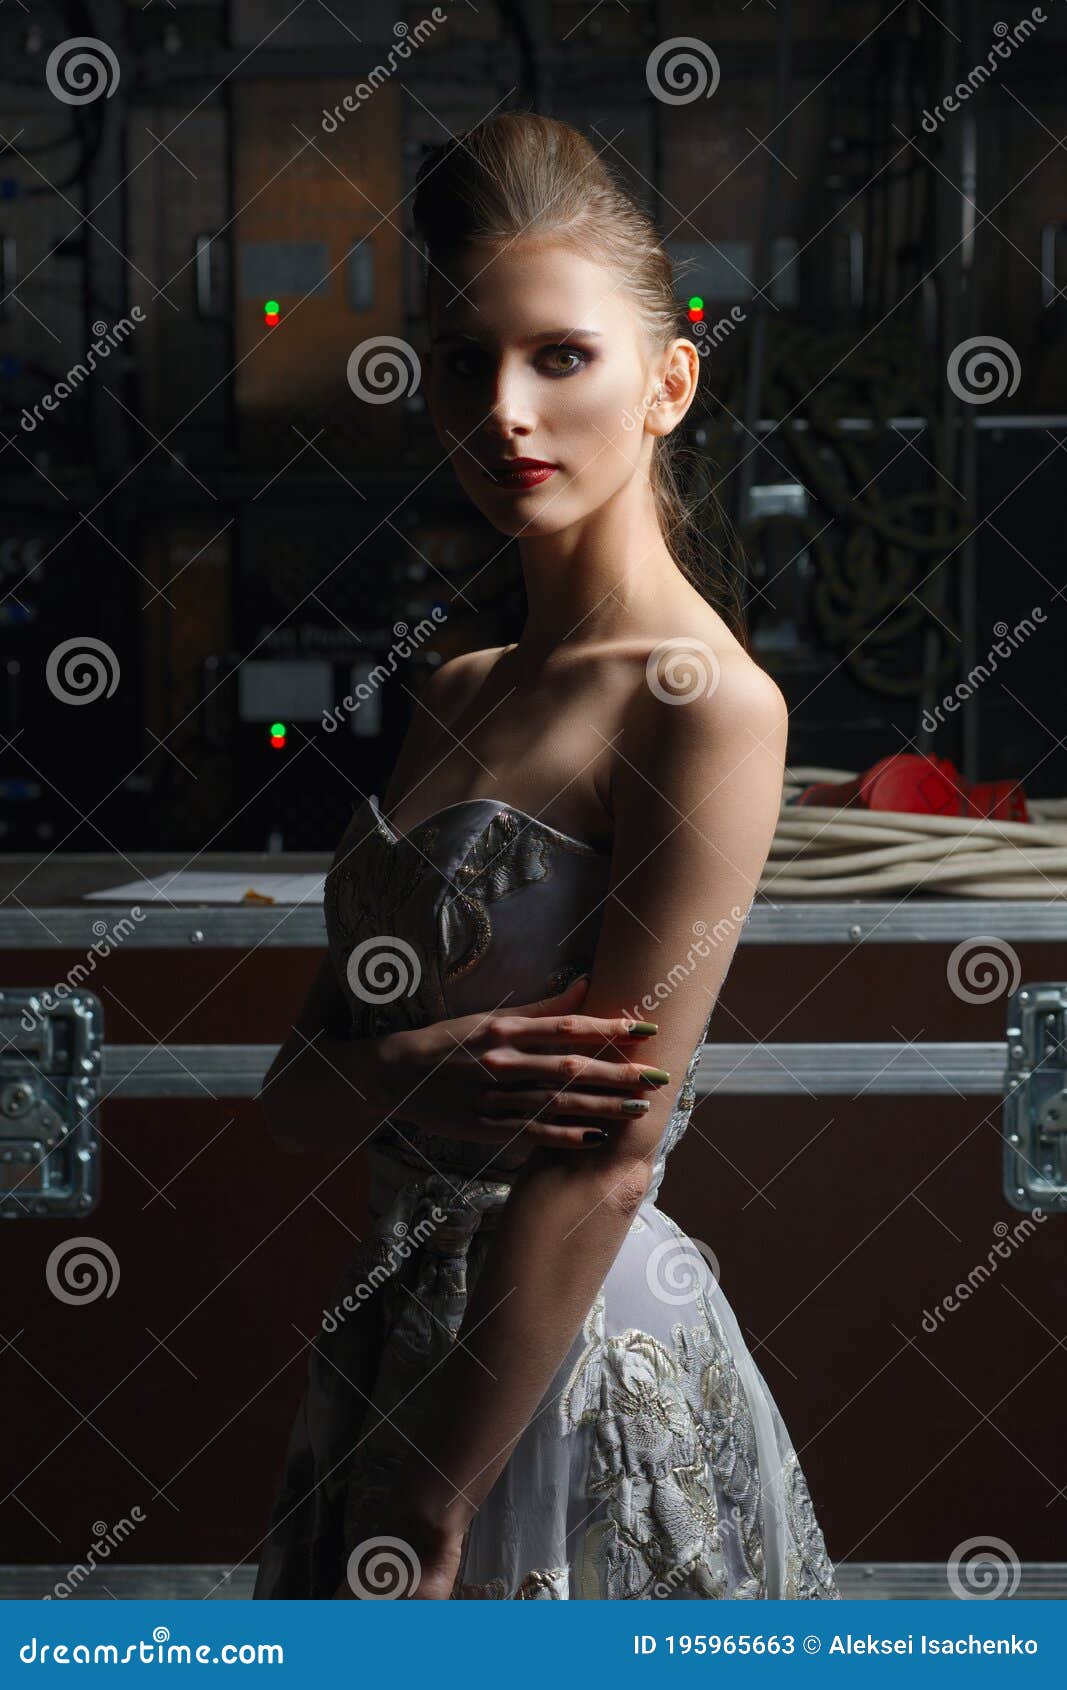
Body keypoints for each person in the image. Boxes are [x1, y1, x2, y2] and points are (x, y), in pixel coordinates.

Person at [251, 110, 839, 1602]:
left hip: (562, 1366)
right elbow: (299, 1091)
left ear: (669, 383)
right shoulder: (455, 691)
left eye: (561, 356)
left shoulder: (703, 705)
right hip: (385, 1334)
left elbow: (612, 1155)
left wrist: (432, 1494)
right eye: (466, 363)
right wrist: (407, 1073)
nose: (505, 410)